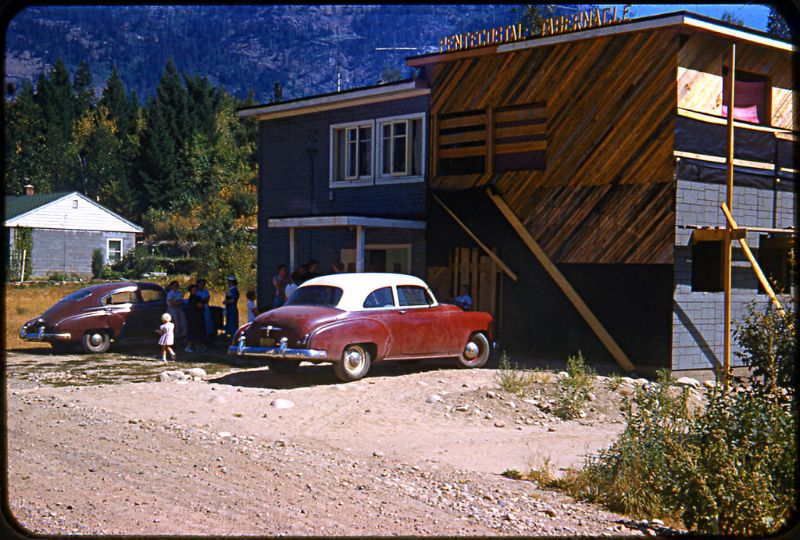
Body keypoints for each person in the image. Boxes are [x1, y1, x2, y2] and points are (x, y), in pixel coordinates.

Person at [185, 284, 205, 353]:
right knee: (193, 332)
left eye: (196, 290)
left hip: (198, 317)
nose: (195, 291)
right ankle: (189, 346)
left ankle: (197, 346)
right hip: (193, 317)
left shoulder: (196, 297)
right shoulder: (193, 298)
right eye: (193, 290)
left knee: (197, 331)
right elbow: (200, 305)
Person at [195, 278, 214, 347]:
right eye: (200, 284)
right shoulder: (196, 291)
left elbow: (206, 299)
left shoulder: (206, 291)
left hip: (205, 308)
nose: (202, 285)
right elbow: (195, 300)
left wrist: (201, 300)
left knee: (207, 323)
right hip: (197, 310)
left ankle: (208, 339)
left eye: (203, 284)